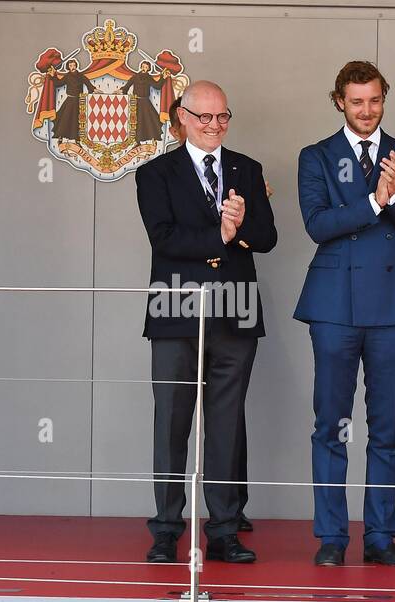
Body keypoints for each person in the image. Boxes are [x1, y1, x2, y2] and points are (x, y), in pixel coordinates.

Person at [295, 61, 395, 568]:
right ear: (339, 102)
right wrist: (374, 202)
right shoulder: (316, 157)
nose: (367, 110)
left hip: (392, 304)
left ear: (383, 99)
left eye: (374, 100)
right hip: (333, 305)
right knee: (330, 423)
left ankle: (380, 535)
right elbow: (317, 224)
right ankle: (331, 536)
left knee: (387, 425)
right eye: (356, 102)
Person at [135, 80, 276, 564]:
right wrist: (222, 233)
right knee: (171, 423)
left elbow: (268, 238)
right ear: (181, 117)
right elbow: (164, 238)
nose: (215, 126)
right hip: (175, 311)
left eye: (222, 117)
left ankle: (224, 529)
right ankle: (166, 529)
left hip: (234, 310)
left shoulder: (248, 169)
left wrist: (243, 227)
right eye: (204, 117)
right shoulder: (155, 173)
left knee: (225, 423)